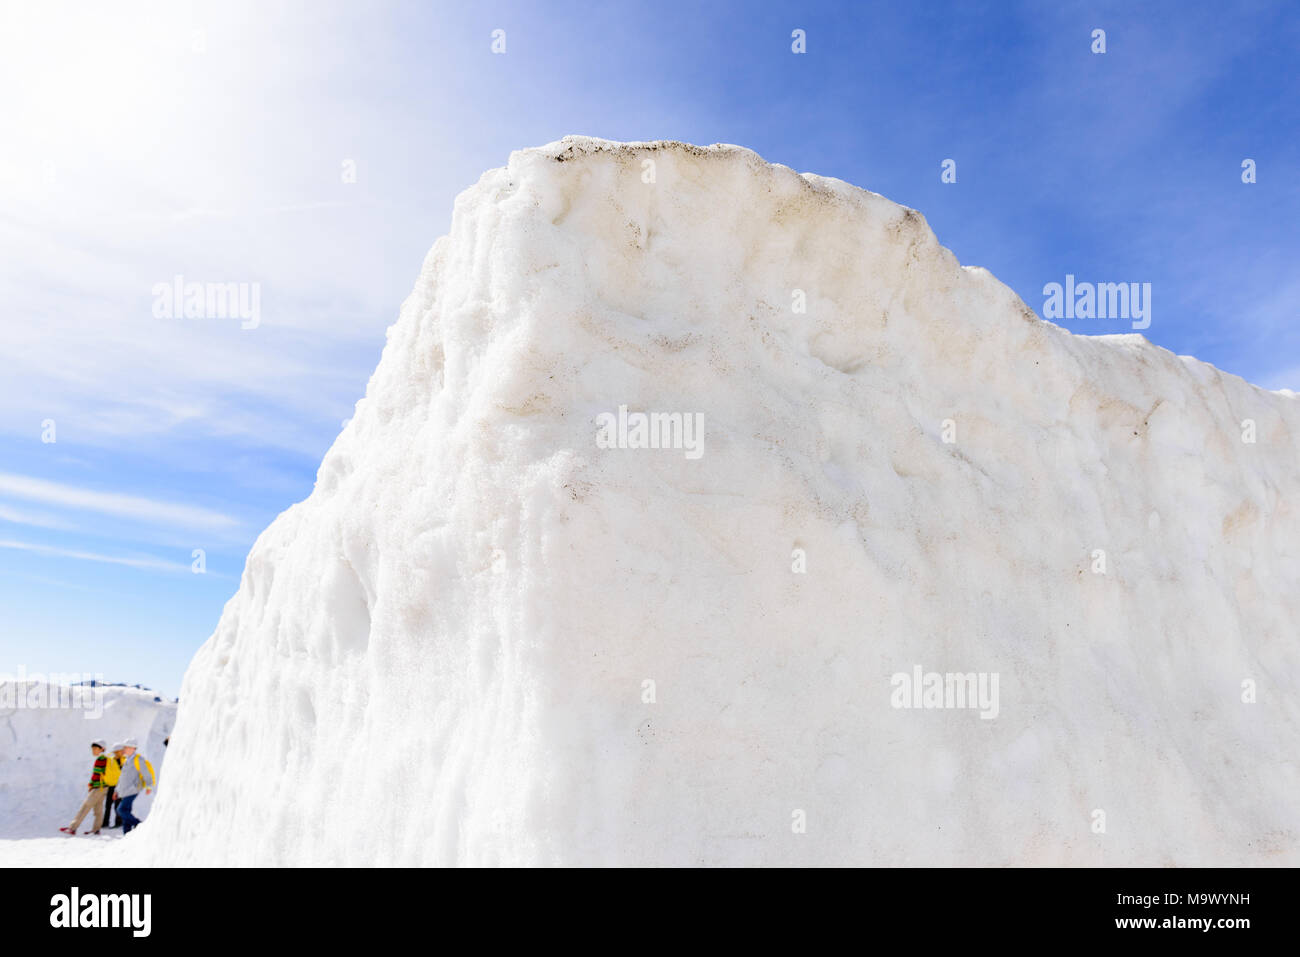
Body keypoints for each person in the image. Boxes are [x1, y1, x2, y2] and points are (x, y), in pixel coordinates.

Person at [59, 740, 109, 836]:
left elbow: (96, 775)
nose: (93, 751)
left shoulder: (101, 759)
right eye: (92, 749)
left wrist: (91, 784)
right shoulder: (107, 758)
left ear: (102, 749)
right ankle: (96, 829)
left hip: (98, 787)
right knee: (98, 809)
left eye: (95, 749)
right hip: (104, 787)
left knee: (85, 806)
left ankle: (72, 828)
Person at [115, 739, 155, 835]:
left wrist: (149, 786)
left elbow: (146, 773)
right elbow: (122, 777)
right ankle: (127, 834)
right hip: (124, 791)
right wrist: (116, 790)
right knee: (126, 812)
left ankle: (139, 824)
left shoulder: (138, 760)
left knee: (121, 810)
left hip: (133, 790)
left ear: (133, 748)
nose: (125, 749)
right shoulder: (126, 759)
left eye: (127, 747)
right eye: (124, 747)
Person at [101, 744, 124, 829]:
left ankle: (119, 822)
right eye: (121, 751)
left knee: (117, 805)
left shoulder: (123, 760)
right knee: (108, 805)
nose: (123, 752)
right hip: (110, 786)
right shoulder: (109, 760)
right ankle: (105, 823)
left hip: (119, 786)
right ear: (116, 751)